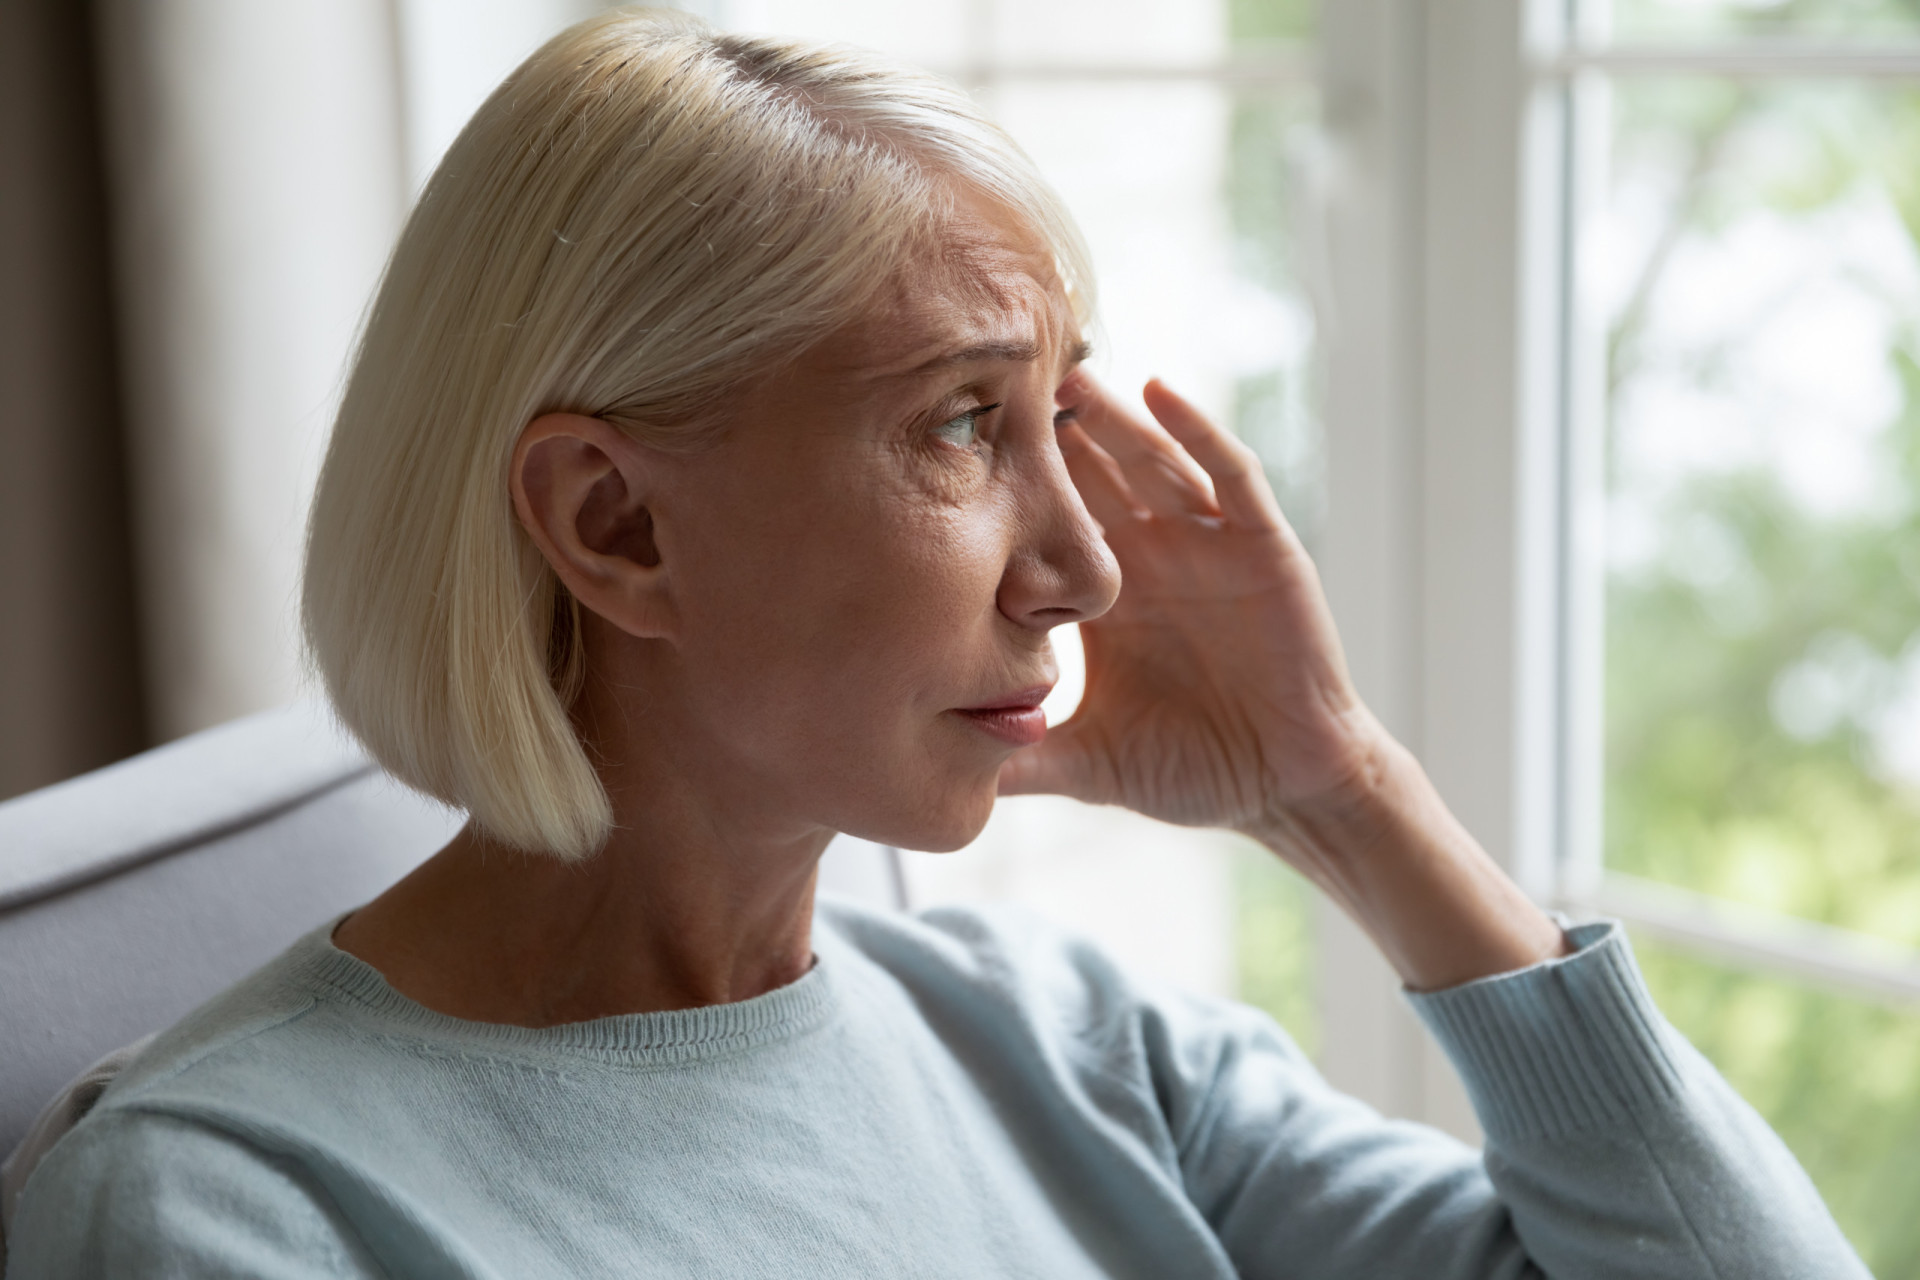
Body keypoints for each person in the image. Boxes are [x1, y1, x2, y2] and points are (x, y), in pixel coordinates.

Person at [7, 8, 1868, 1277]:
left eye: (1063, 414)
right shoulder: (224, 1208)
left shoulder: (1070, 1046)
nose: (1083, 568)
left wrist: (1347, 792)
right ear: (613, 525)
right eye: (967, 424)